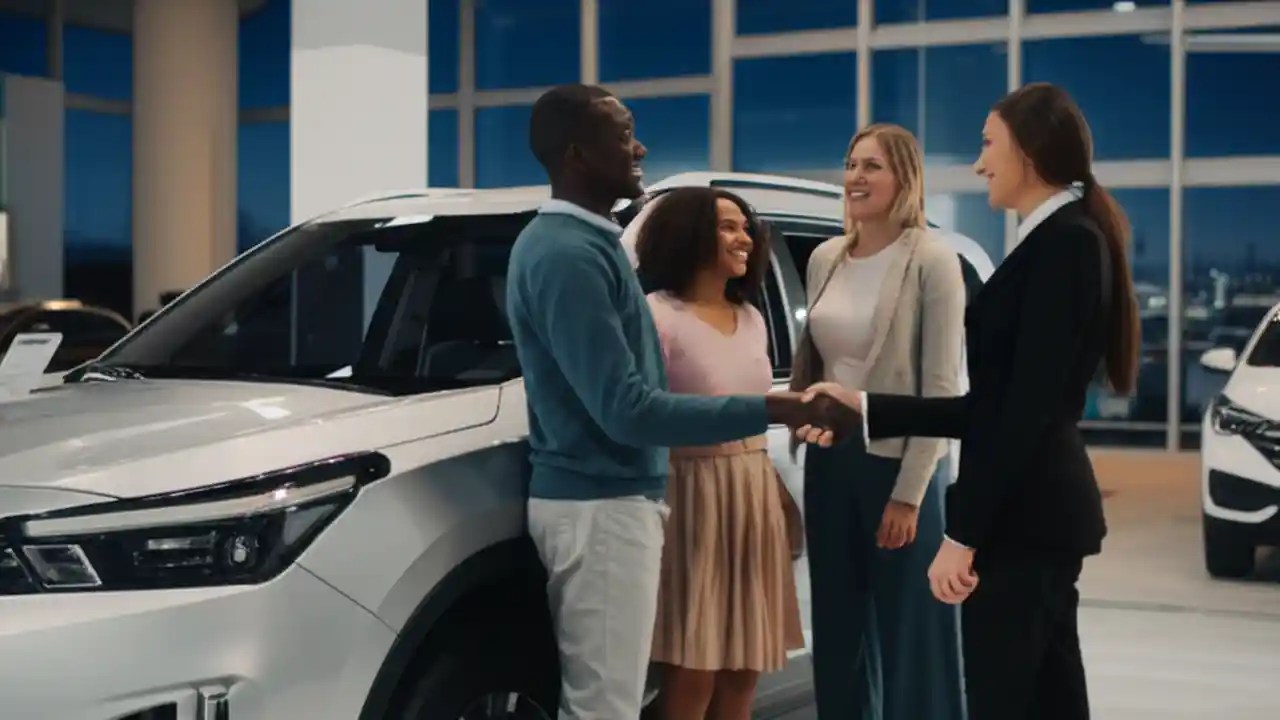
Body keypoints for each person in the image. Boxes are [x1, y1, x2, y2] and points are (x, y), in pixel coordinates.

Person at [504, 83, 858, 720]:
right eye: (623, 135)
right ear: (578, 153)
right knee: (607, 705)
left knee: (615, 697)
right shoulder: (566, 254)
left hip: (613, 499)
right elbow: (628, 409)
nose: (639, 148)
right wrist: (778, 408)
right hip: (600, 504)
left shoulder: (586, 246)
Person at [797, 82, 1141, 720]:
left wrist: (963, 533)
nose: (980, 163)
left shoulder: (1064, 243)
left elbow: (1020, 414)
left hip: (1026, 516)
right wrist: (866, 407)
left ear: (1028, 150)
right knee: (1051, 698)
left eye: (988, 144)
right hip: (1035, 514)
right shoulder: (1057, 238)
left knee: (1005, 698)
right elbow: (1000, 404)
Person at [788, 123, 967, 720]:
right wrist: (803, 419)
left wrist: (910, 496)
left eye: (872, 166)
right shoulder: (826, 258)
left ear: (904, 178)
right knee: (838, 634)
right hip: (830, 462)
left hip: (899, 467)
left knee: (914, 638)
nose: (856, 177)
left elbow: (941, 389)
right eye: (851, 164)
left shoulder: (933, 260)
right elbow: (818, 363)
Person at [635, 187, 805, 720]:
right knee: (693, 671)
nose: (744, 238)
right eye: (728, 226)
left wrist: (780, 497)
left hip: (754, 491)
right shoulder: (656, 315)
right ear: (688, 235)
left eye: (746, 228)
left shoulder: (751, 317)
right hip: (689, 497)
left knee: (744, 671)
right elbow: (642, 413)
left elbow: (756, 412)